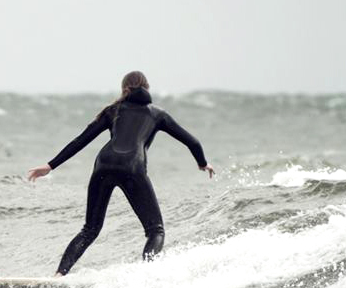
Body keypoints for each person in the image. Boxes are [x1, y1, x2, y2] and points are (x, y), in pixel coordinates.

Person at [27, 71, 215, 276]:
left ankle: (59, 275)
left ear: (124, 89)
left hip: (103, 165)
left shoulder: (113, 110)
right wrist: (202, 163)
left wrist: (50, 166)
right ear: (147, 88)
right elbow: (192, 142)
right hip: (132, 168)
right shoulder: (157, 114)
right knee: (155, 231)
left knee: (90, 230)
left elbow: (81, 140)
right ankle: (146, 276)